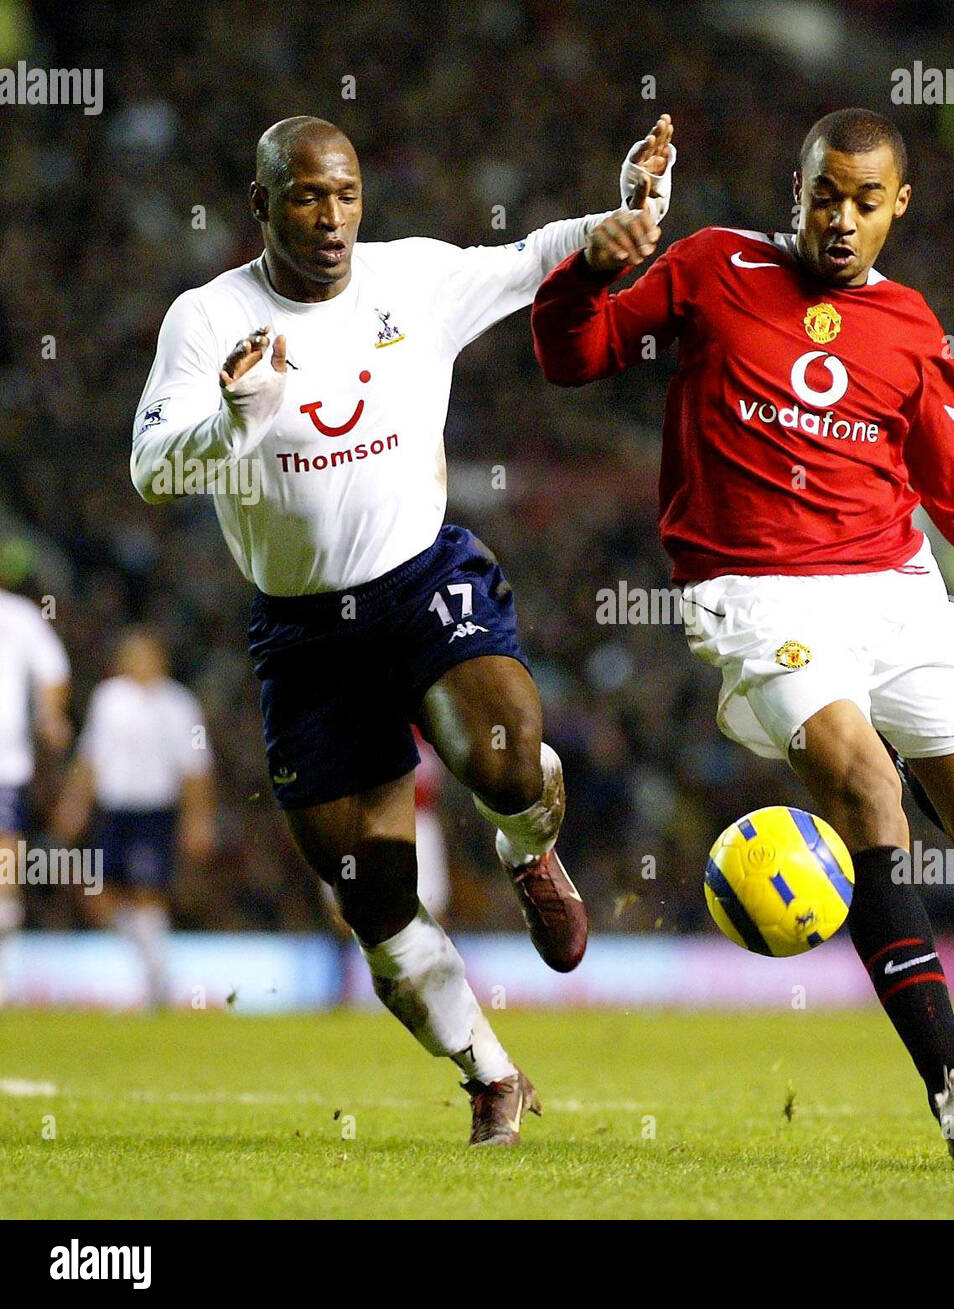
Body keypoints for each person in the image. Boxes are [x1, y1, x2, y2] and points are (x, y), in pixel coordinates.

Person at [531, 107, 954, 1168]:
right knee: (870, 790)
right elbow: (574, 356)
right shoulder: (709, 266)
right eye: (825, 195)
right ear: (797, 187)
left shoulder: (914, 329)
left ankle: (869, 831)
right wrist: (584, 271)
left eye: (865, 203)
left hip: (893, 592)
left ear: (897, 208)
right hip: (758, 596)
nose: (840, 219)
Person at [130, 113, 676, 1144]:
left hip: (421, 581)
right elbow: (151, 468)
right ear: (260, 206)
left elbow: (530, 259)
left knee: (510, 758)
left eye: (344, 194)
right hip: (302, 633)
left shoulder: (412, 279)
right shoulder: (206, 319)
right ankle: (490, 1074)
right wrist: (232, 422)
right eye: (304, 196)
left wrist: (621, 214)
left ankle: (527, 851)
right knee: (372, 896)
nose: (330, 217)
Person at [53, 628, 216, 1008]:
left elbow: (196, 768)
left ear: (160, 659)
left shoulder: (180, 705)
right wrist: (75, 803)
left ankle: (155, 983)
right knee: (94, 891)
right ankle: (153, 963)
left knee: (147, 893)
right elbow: (90, 756)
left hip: (154, 811)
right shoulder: (108, 698)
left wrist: (198, 819)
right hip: (112, 810)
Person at [0, 584, 71, 1005]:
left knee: (4, 866)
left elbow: (52, 670)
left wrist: (51, 716)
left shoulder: (18, 615)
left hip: (4, 762)